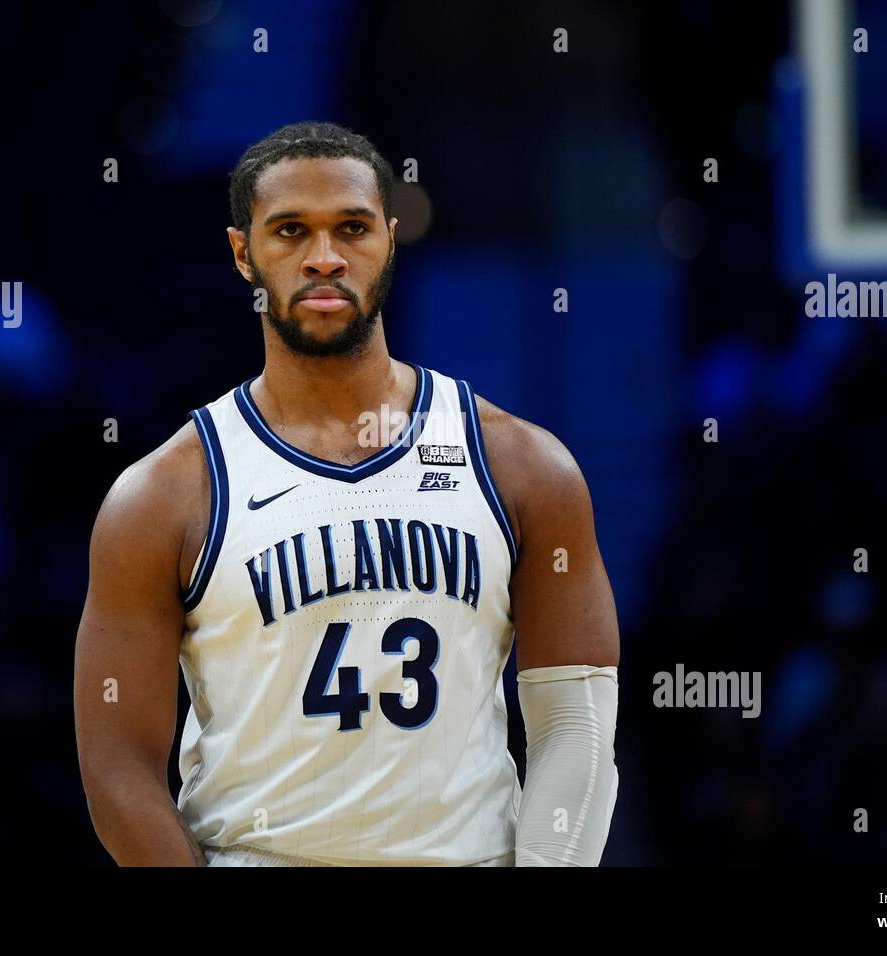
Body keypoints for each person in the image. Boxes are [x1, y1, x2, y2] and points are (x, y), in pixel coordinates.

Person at [73, 122, 620, 866]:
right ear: (243, 254)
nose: (324, 258)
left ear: (389, 242)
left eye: (352, 229)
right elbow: (117, 771)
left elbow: (575, 731)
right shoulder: (163, 497)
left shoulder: (523, 467)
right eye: (290, 231)